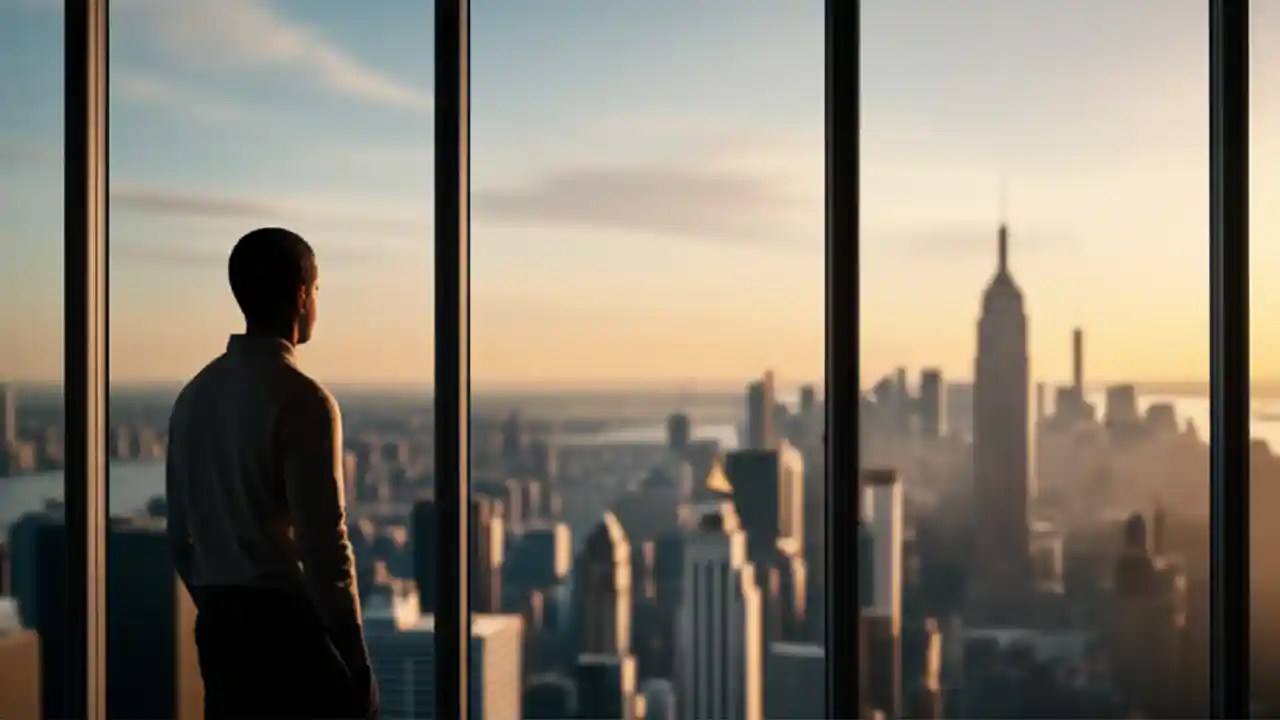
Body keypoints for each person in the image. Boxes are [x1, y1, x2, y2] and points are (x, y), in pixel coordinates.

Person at [166, 227, 379, 719]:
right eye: (318, 290)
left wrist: (217, 604)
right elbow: (324, 546)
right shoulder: (304, 400)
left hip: (220, 630)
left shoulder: (193, 396)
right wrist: (355, 661)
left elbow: (180, 538)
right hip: (288, 631)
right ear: (302, 295)